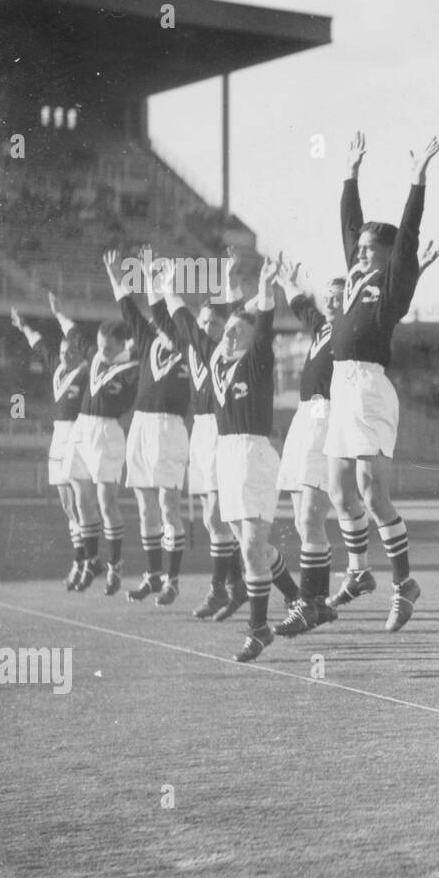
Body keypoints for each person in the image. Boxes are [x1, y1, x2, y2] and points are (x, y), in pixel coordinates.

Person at [327, 132, 439, 634]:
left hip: (370, 388)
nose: (359, 253)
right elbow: (350, 224)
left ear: (387, 255)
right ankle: (358, 573)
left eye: (369, 249)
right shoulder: (355, 279)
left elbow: (408, 237)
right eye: (358, 249)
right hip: (340, 387)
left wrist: (417, 179)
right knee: (338, 489)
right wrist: (350, 174)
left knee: (372, 495)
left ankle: (404, 585)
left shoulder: (393, 283)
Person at [163, 256, 300, 662]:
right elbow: (187, 324)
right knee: (248, 545)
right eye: (227, 329)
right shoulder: (214, 359)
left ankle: (258, 630)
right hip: (227, 456)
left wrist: (265, 290)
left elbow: (265, 327)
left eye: (235, 330)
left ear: (245, 337)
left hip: (254, 455)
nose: (227, 335)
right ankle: (298, 599)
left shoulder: (257, 362)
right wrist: (169, 288)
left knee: (253, 547)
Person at [149, 246, 248, 621]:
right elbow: (169, 312)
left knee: (222, 514)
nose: (206, 327)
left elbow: (237, 313)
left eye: (214, 324)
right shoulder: (190, 341)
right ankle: (232, 585)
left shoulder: (223, 349)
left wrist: (229, 280)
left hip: (222, 432)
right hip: (200, 432)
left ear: (226, 331)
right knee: (212, 517)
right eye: (203, 322)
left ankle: (226, 587)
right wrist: (161, 284)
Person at [104, 247, 192, 606]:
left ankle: (172, 580)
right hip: (141, 426)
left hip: (171, 428)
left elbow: (162, 309)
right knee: (145, 507)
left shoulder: (190, 344)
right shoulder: (146, 339)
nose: (160, 320)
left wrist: (158, 282)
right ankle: (153, 576)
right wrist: (116, 274)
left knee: (169, 506)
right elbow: (129, 307)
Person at [271, 261, 345, 635]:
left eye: (339, 297)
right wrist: (287, 282)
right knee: (303, 520)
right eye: (328, 296)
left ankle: (307, 604)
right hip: (305, 419)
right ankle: (318, 603)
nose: (331, 303)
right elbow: (303, 306)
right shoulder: (323, 328)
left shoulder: (350, 332)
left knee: (309, 519)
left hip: (325, 418)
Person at [11, 296, 91, 589]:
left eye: (71, 352)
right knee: (67, 505)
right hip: (59, 436)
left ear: (79, 355)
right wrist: (23, 327)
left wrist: (61, 315)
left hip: (78, 434)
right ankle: (80, 559)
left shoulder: (85, 372)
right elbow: (40, 344)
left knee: (80, 503)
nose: (66, 356)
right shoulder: (58, 367)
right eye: (64, 352)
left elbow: (95, 353)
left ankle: (84, 562)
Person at [59, 308, 139, 594]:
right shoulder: (95, 357)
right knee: (82, 501)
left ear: (122, 344)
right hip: (82, 429)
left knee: (106, 502)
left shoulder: (132, 369)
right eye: (100, 345)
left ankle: (115, 564)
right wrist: (59, 312)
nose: (102, 351)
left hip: (107, 433)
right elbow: (74, 335)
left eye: (108, 347)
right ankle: (92, 561)